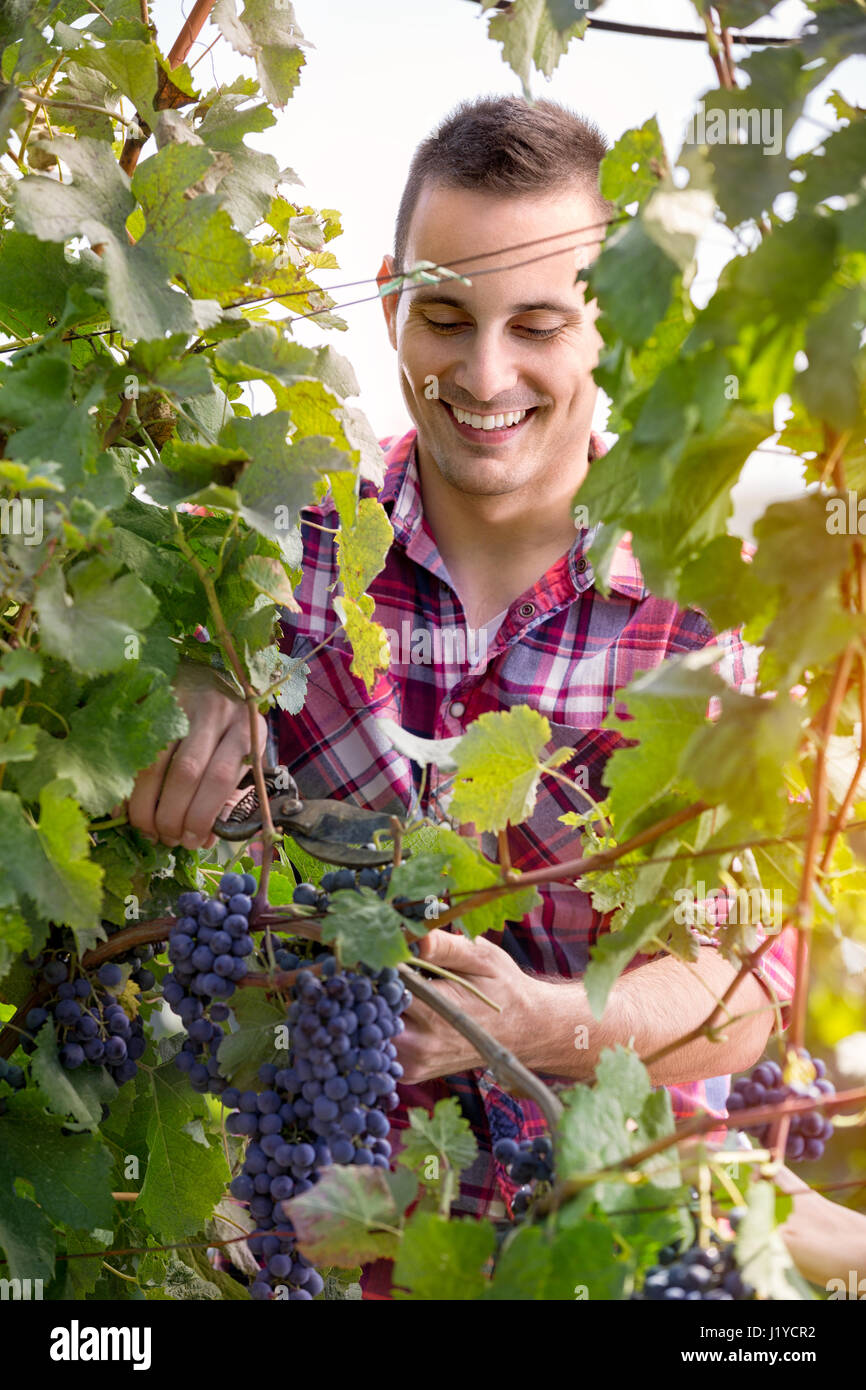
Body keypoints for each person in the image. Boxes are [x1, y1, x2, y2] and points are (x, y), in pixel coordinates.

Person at [127, 97, 796, 1288]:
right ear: (388, 299)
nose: (484, 375)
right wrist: (182, 660)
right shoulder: (284, 558)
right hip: (329, 1253)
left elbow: (741, 997)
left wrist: (550, 1025)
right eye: (444, 317)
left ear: (612, 330)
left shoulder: (698, 612)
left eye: (536, 325)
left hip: (614, 1251)